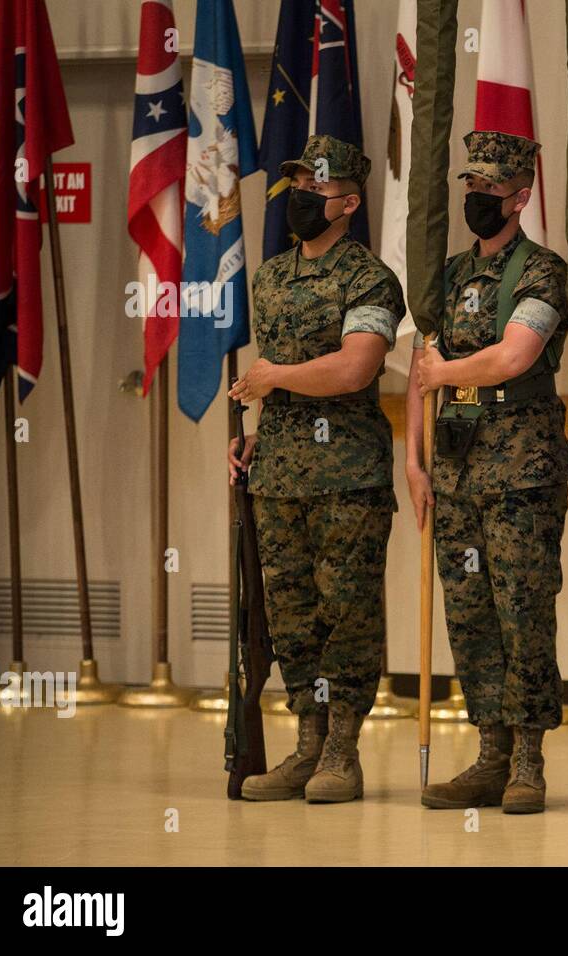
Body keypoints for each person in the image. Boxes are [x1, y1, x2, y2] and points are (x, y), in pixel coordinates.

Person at [227, 134, 404, 804]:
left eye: (316, 190)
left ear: (349, 202)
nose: (300, 198)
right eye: (295, 186)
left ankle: (342, 754)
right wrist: (247, 439)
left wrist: (275, 378)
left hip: (346, 479)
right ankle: (304, 747)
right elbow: (266, 386)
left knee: (347, 615)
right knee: (291, 618)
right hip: (277, 475)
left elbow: (356, 367)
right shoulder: (270, 277)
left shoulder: (369, 279)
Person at [407, 130, 568, 815]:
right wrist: (414, 463)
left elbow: (514, 356)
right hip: (453, 466)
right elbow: (419, 379)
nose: (478, 198)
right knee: (470, 613)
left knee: (522, 609)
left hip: (521, 467)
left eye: (491, 189)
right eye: (470, 187)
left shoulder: (541, 271)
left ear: (521, 196)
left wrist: (447, 370)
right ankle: (489, 752)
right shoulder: (444, 277)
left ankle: (530, 759)